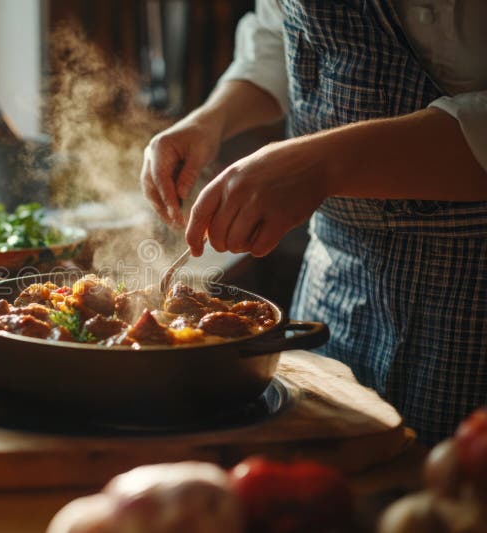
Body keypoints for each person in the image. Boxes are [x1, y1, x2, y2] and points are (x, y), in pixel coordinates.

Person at [141, 0, 487, 445]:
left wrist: (323, 164)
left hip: (471, 305)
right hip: (333, 289)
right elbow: (281, 33)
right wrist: (210, 120)